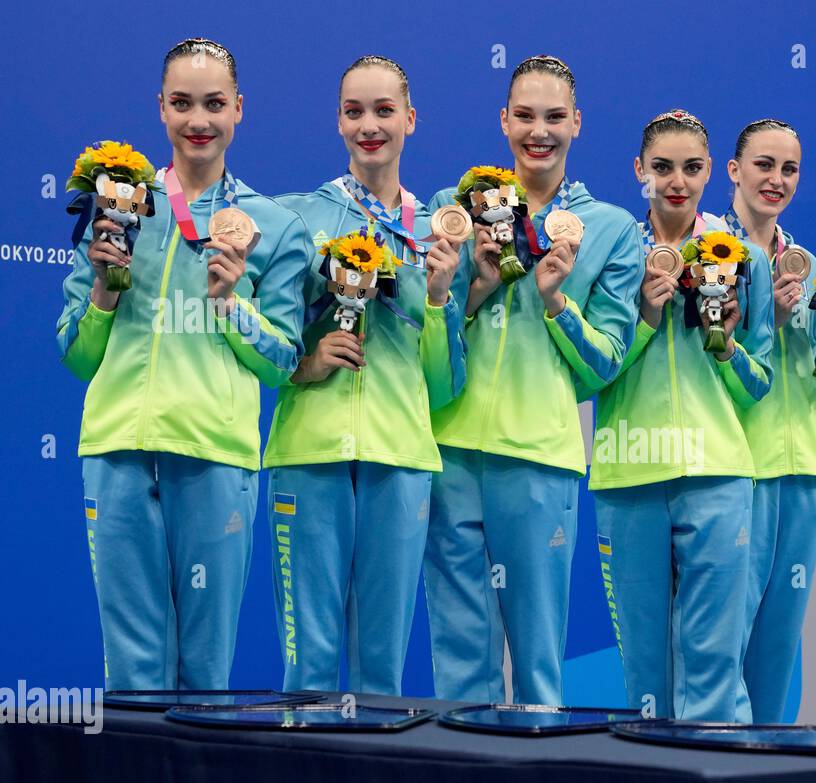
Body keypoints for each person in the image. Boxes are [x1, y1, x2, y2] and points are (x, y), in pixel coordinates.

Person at [57, 38, 310, 690]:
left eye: (214, 103)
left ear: (238, 110)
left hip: (214, 456)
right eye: (182, 103)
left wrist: (231, 305)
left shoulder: (272, 226)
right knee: (133, 671)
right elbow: (75, 352)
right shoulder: (117, 210)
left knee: (204, 673)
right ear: (161, 110)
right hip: (117, 450)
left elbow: (284, 359)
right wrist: (104, 291)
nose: (199, 119)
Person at [424, 55, 641, 705]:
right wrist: (475, 286)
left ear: (577, 123)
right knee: (460, 664)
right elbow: (425, 341)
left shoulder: (610, 230)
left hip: (539, 459)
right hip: (451, 452)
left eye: (553, 117)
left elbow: (607, 363)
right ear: (503, 121)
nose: (538, 131)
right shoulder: (452, 211)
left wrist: (555, 303)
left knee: (541, 665)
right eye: (524, 116)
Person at [265, 56, 464, 696]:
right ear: (338, 121)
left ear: (411, 118)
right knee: (308, 667)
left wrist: (437, 293)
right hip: (310, 451)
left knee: (383, 672)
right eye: (355, 112)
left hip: (400, 454)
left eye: (384, 111)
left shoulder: (434, 235)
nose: (369, 126)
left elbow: (446, 381)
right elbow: (260, 333)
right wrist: (302, 365)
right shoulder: (296, 219)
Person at [591, 109, 773, 721]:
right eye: (662, 168)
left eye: (692, 168)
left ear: (709, 174)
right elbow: (593, 370)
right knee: (644, 673)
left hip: (719, 472)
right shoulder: (613, 251)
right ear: (638, 170)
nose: (677, 182)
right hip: (629, 474)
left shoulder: (746, 258)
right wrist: (643, 314)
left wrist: (722, 341)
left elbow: (761, 383)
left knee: (715, 662)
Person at [703, 119, 816, 724]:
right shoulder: (704, 255)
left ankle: (767, 773)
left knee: (779, 643)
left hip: (802, 468)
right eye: (763, 165)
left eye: (789, 169)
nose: (776, 180)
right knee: (719, 639)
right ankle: (719, 769)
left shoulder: (811, 271)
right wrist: (766, 319)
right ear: (733, 170)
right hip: (733, 465)